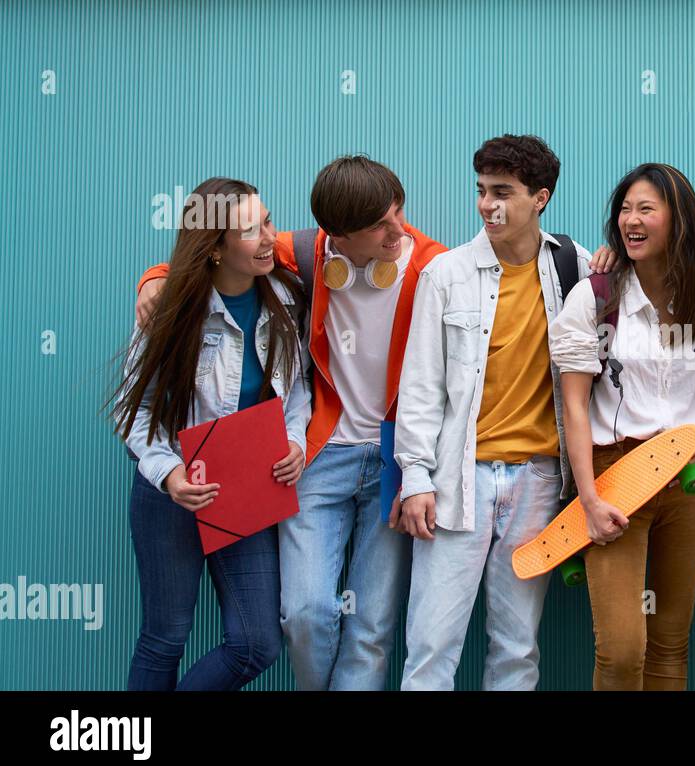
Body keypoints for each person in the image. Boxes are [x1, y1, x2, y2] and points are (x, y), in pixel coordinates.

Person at [134, 156, 451, 690]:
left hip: (386, 457)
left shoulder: (434, 266)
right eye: (378, 225)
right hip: (308, 459)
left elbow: (293, 385)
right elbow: (199, 264)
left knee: (365, 626)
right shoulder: (292, 258)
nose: (398, 231)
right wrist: (155, 278)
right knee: (292, 616)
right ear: (338, 236)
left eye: (399, 211)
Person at [392, 134, 606, 690]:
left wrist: (612, 263)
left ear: (541, 198)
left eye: (503, 192)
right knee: (431, 644)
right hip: (457, 483)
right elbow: (421, 387)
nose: (488, 204)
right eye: (482, 191)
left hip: (537, 481)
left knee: (516, 649)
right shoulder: (445, 275)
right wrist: (415, 478)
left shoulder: (574, 266)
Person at [112, 177, 309, 690]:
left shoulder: (287, 297)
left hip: (246, 490)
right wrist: (170, 474)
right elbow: (132, 410)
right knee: (165, 636)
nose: (270, 236)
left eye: (267, 219)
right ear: (215, 249)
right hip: (172, 494)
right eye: (251, 229)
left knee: (256, 643)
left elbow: (298, 391)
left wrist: (295, 442)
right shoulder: (170, 310)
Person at [550, 162, 695, 690]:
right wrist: (586, 497)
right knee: (624, 649)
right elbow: (575, 406)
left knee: (671, 645)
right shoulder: (596, 297)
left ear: (678, 220)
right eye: (626, 209)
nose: (632, 219)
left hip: (689, 481)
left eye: (646, 209)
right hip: (615, 478)